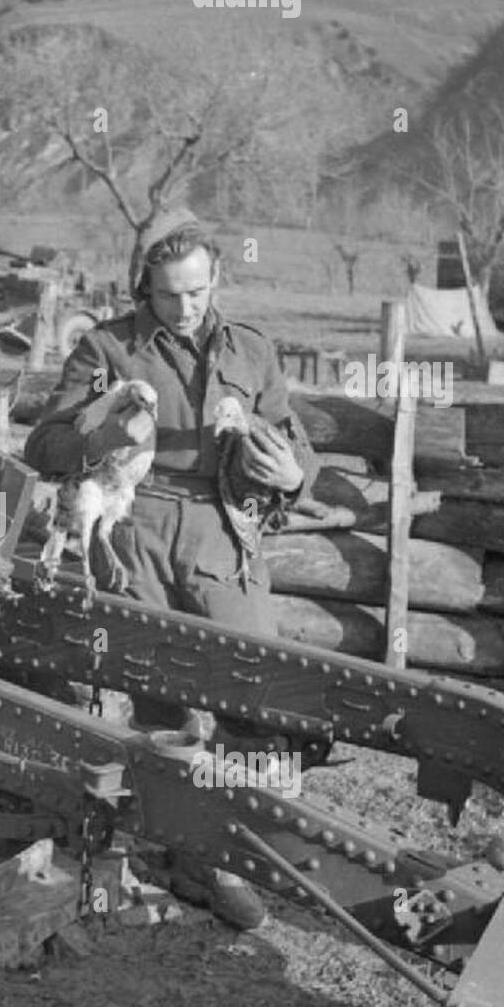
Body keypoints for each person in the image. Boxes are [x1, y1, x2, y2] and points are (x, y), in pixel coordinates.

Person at [24, 219, 316, 930]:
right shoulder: (106, 348)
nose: (184, 307)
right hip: (138, 524)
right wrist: (102, 435)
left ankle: (248, 838)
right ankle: (188, 856)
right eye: (167, 295)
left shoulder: (250, 348)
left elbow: (288, 437)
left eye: (197, 290)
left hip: (223, 527)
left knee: (257, 686)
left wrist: (294, 474)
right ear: (142, 290)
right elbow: (47, 444)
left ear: (216, 281)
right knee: (161, 697)